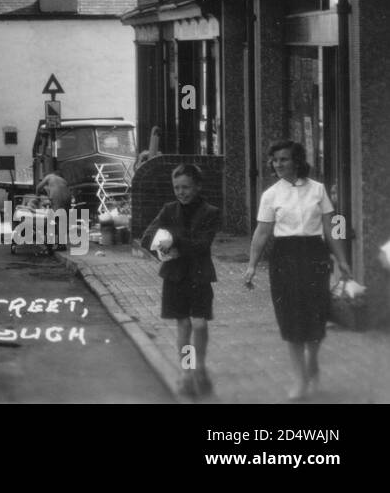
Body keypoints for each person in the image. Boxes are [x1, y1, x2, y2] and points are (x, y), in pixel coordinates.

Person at [244, 139, 352, 401]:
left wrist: (342, 260)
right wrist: (251, 266)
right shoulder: (271, 195)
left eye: (284, 159)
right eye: (275, 160)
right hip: (284, 257)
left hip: (314, 255)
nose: (278, 164)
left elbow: (329, 228)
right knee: (291, 318)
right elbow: (262, 233)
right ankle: (300, 378)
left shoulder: (317, 190)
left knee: (315, 314)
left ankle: (312, 362)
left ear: (297, 161)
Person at [139, 163, 221, 398]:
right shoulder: (168, 210)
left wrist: (173, 242)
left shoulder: (210, 212)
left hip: (199, 276)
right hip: (175, 277)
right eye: (177, 187)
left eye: (186, 187)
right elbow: (146, 237)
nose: (181, 192)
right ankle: (187, 372)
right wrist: (160, 249)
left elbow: (202, 244)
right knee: (183, 326)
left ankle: (200, 366)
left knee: (200, 324)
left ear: (197, 186)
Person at [35, 172, 71, 252]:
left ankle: (60, 244)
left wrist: (37, 198)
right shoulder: (63, 180)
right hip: (68, 196)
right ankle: (61, 243)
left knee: (57, 219)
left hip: (57, 196)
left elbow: (38, 187)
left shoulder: (49, 177)